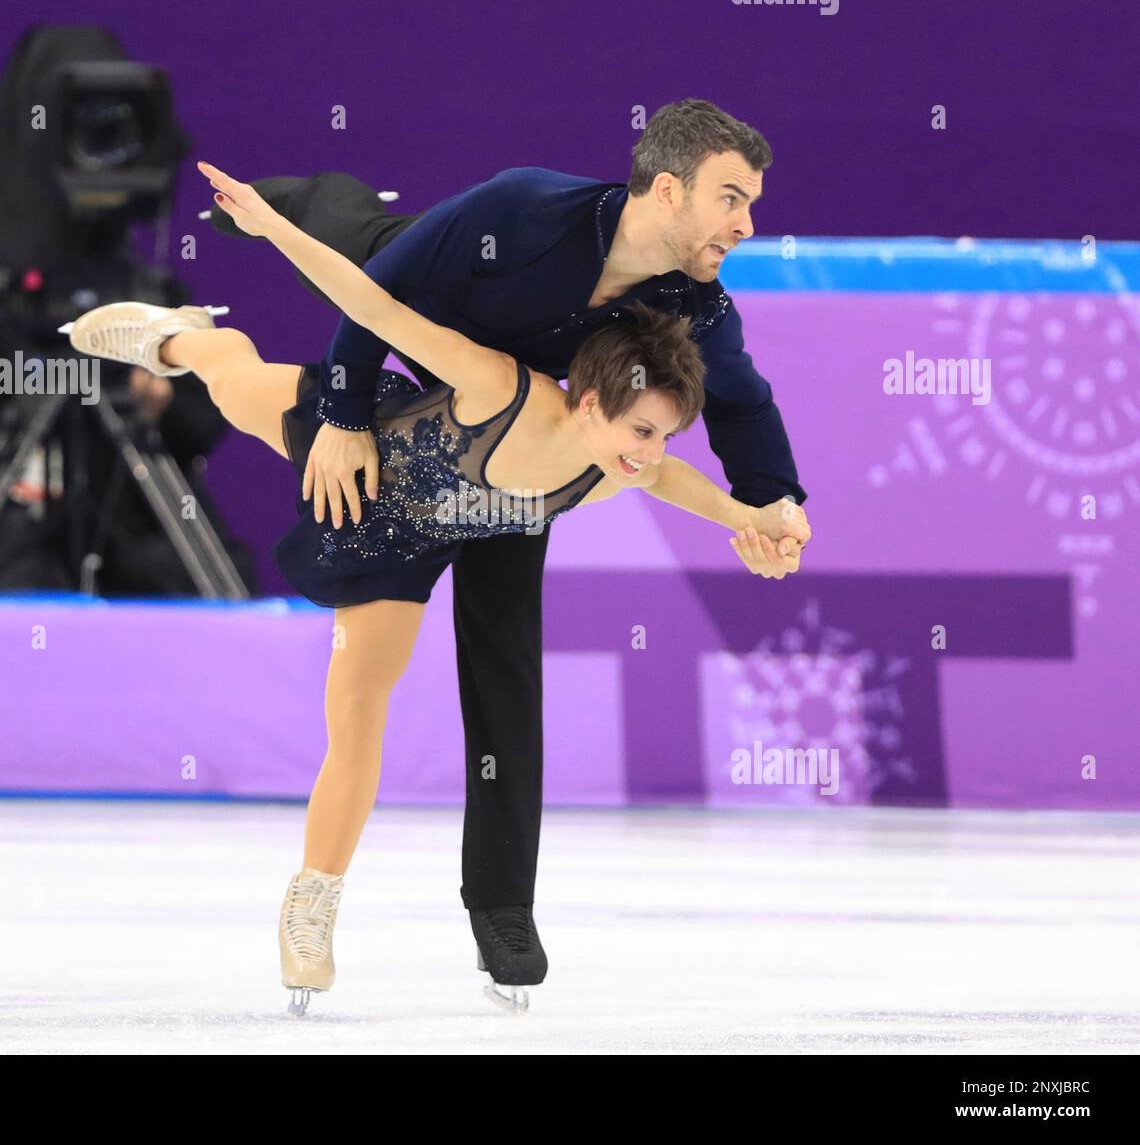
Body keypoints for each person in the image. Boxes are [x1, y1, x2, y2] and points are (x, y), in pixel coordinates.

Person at [63, 154, 810, 1014]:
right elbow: (375, 303)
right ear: (594, 400)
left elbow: (681, 480)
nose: (649, 451)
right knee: (232, 382)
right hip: (366, 467)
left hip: (418, 546)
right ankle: (182, 336)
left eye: (660, 435)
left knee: (361, 714)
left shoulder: (616, 466)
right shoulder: (504, 383)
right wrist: (276, 233)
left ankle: (311, 905)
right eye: (642, 428)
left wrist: (753, 516)